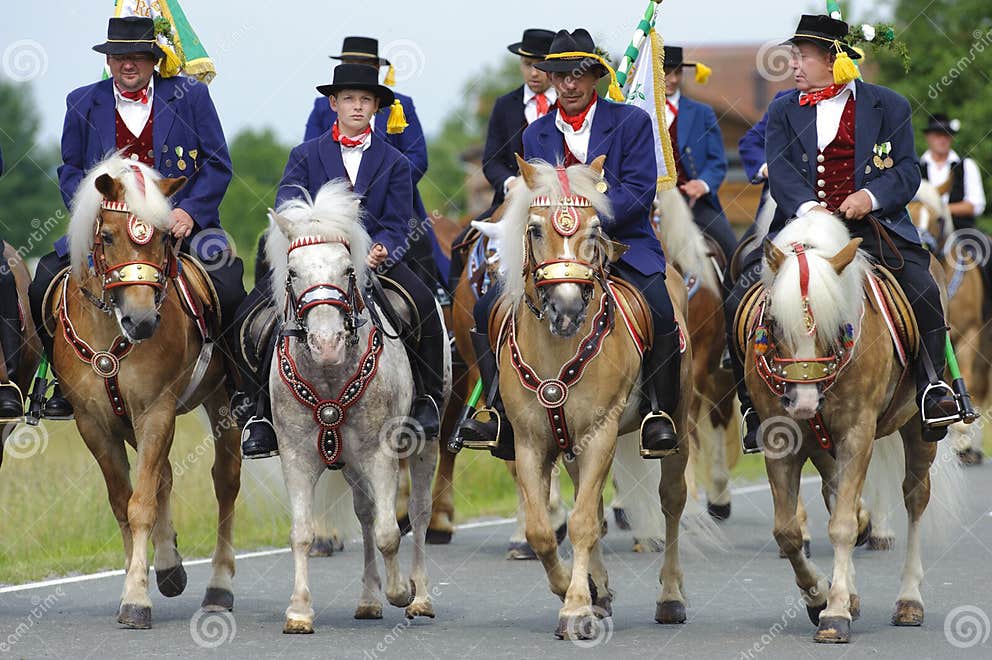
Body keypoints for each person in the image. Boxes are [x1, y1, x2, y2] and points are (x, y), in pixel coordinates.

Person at [725, 14, 958, 452]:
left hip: (872, 229)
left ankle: (932, 388)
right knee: (738, 295)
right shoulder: (783, 109)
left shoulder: (889, 106)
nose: (793, 65)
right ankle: (753, 407)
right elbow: (782, 171)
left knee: (924, 287)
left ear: (834, 59)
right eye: (792, 56)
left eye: (802, 56)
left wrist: (870, 196)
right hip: (802, 227)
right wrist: (809, 208)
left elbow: (907, 171)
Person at [455, 28, 682, 460]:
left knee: (661, 308)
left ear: (595, 76)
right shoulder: (536, 133)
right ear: (551, 78)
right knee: (485, 310)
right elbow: (535, 197)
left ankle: (658, 413)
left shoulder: (631, 122)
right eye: (560, 75)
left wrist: (587, 220)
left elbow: (639, 190)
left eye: (578, 74)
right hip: (554, 249)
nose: (569, 84)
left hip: (621, 241)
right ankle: (497, 412)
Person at [28, 16, 244, 420]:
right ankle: (61, 381)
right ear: (108, 61)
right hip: (107, 231)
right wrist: (92, 215)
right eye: (120, 56)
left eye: (139, 56)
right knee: (42, 282)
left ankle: (239, 388)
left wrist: (189, 211)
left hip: (179, 226)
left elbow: (218, 165)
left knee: (230, 286)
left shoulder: (191, 96)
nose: (129, 64)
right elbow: (70, 170)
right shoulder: (80, 102)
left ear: (154, 60)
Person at [238, 64, 445, 458]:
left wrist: (383, 246)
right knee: (249, 315)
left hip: (374, 263)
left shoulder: (395, 161)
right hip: (313, 260)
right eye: (349, 98)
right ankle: (257, 411)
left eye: (366, 100)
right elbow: (287, 206)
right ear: (333, 103)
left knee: (423, 304)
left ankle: (427, 399)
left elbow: (398, 222)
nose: (357, 106)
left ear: (376, 107)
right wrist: (312, 241)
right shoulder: (304, 155)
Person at [302, 36, 445, 298]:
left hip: (389, 204)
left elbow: (418, 157)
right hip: (326, 226)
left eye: (363, 63)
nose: (357, 106)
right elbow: (307, 163)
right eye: (350, 62)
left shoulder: (401, 106)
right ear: (334, 102)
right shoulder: (319, 112)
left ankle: (441, 291)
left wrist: (384, 184)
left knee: (421, 243)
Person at [448, 28, 556, 289]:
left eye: (540, 65)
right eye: (527, 64)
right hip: (509, 200)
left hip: (558, 201)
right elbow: (491, 160)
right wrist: (510, 183)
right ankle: (454, 311)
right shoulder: (505, 105)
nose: (533, 72)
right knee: (459, 244)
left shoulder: (568, 103)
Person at [663, 46, 736, 265]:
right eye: (665, 72)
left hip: (693, 201)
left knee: (732, 250)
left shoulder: (702, 112)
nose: (672, 79)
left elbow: (717, 162)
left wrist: (702, 184)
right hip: (649, 203)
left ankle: (732, 288)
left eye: (677, 72)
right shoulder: (638, 111)